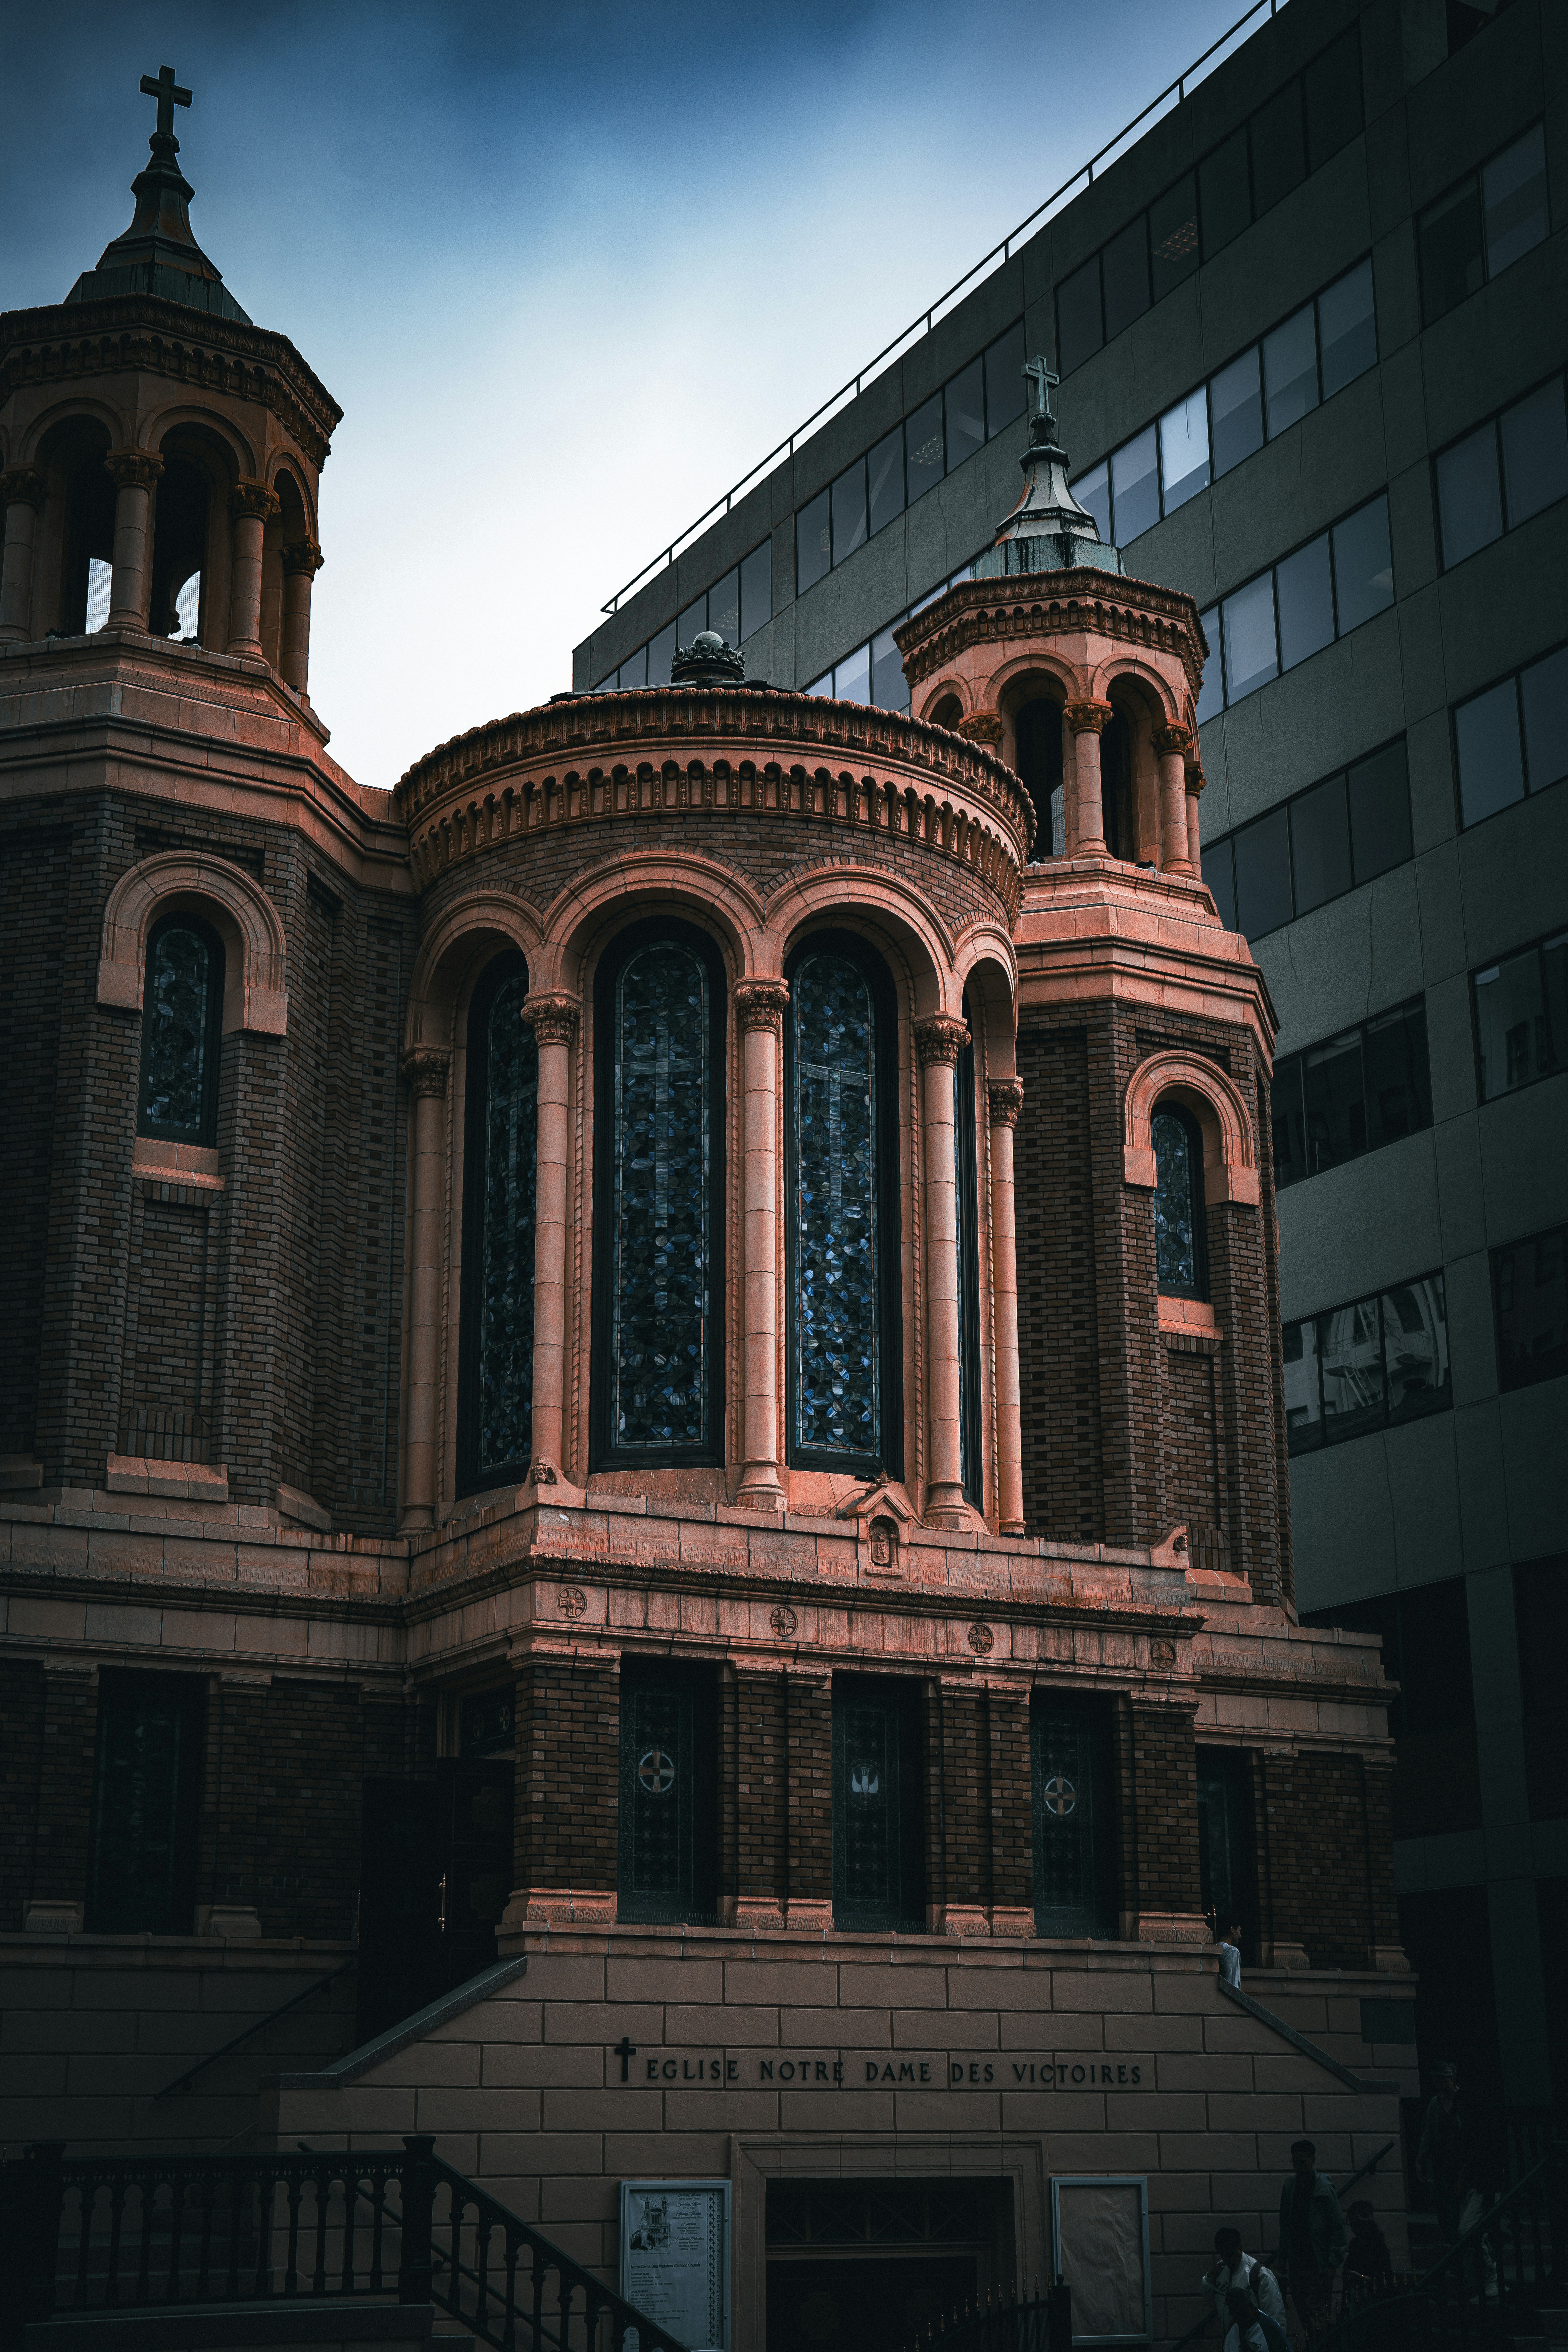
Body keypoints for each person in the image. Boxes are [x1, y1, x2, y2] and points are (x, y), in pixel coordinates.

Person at [1277, 2138, 1348, 2338]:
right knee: (1303, 2309)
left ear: (1313, 2161)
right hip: (1298, 2261)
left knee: (1317, 2312)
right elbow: (1285, 2225)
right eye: (1295, 2162)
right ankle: (1316, 2343)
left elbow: (1337, 2226)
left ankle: (1321, 2344)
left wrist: (1333, 2262)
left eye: (1302, 2161)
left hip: (1318, 2263)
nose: (1298, 2166)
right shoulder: (1290, 2186)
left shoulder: (1324, 2188)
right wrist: (1283, 2259)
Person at [1201, 2228, 1286, 2336]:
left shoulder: (1260, 2275)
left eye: (1231, 2255)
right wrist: (1209, 2278)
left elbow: (1276, 2318)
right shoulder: (1221, 2270)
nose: (1228, 2260)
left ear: (1240, 2248)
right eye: (1224, 2256)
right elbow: (1208, 2299)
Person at [1340, 2200, 1394, 2310]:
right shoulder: (1355, 2244)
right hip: (1357, 2296)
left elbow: (1384, 2278)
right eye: (1352, 2224)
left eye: (1356, 2224)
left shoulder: (1378, 2247)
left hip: (1371, 2299)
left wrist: (1367, 2280)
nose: (1353, 2228)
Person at [1223, 2285, 1289, 2352]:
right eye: (1233, 2314)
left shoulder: (1270, 2329)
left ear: (1249, 2309)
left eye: (1239, 2314)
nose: (1236, 2319)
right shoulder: (1233, 2332)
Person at [1216, 1920, 1243, 1988]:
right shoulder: (1232, 1951)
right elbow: (1232, 1987)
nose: (1240, 1936)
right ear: (1232, 1930)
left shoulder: (1215, 1949)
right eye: (1239, 1931)